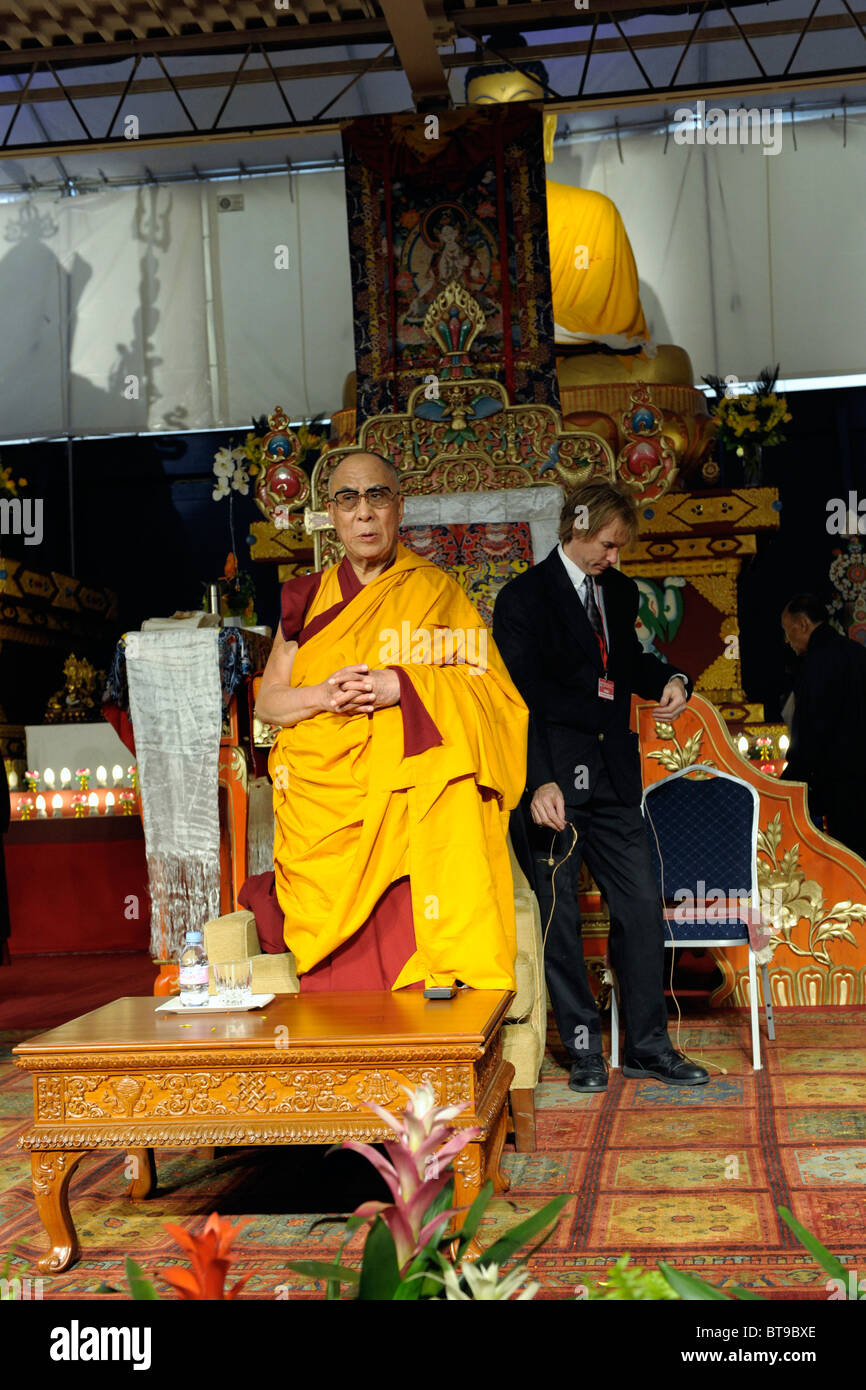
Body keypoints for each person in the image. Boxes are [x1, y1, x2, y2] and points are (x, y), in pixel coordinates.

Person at [254, 451, 528, 992]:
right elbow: (268, 704)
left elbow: (493, 694)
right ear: (330, 514)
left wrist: (399, 686)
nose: (364, 514)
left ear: (399, 508)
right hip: (324, 805)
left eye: (377, 496)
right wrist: (325, 696)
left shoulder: (435, 592)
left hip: (406, 798)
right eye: (348, 499)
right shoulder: (305, 599)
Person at [492, 481, 708, 1090]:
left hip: (614, 780)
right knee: (559, 922)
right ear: (577, 528)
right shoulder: (523, 598)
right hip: (552, 784)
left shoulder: (616, 591)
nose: (616, 558)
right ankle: (584, 1048)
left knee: (642, 906)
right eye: (609, 545)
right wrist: (538, 782)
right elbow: (517, 700)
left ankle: (646, 1045)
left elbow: (630, 664)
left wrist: (671, 677)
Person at [780, 594, 866, 860]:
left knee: (851, 863)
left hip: (843, 787)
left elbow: (811, 733)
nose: (787, 640)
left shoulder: (816, 664)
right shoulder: (857, 653)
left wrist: (787, 786)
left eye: (788, 630)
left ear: (803, 624)